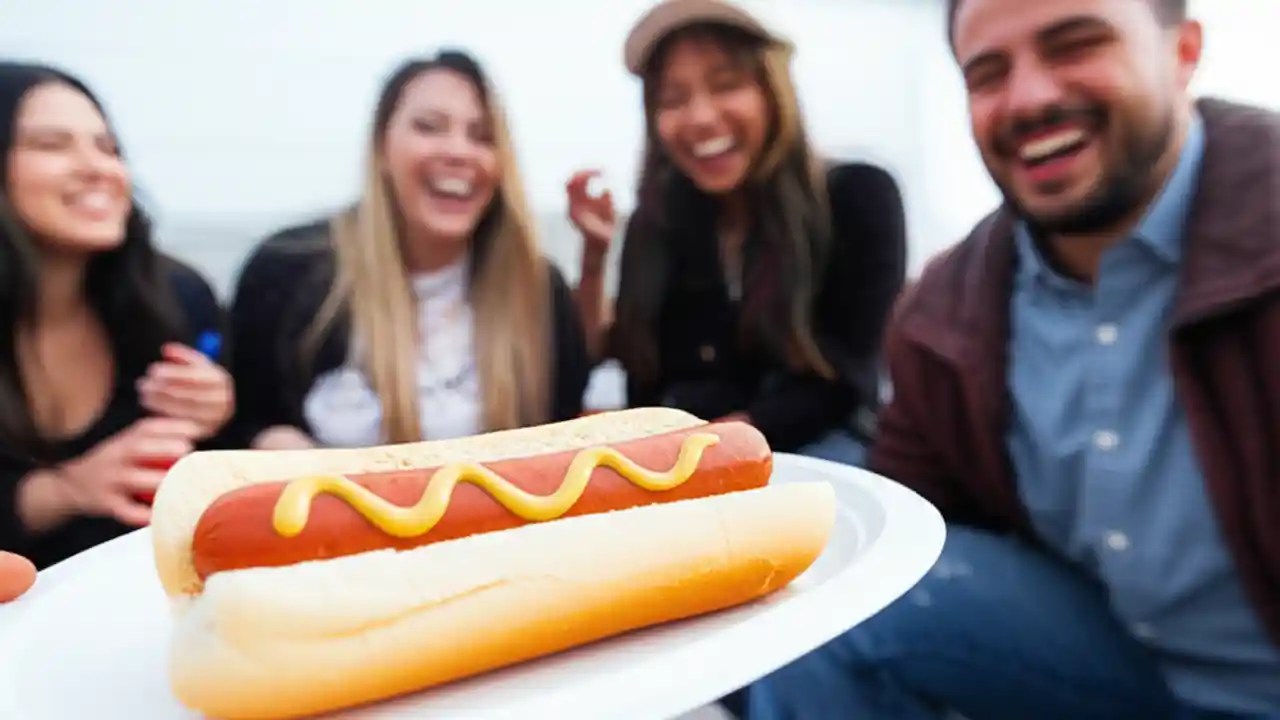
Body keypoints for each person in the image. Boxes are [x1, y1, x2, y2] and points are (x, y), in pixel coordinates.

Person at [745, 0, 1280, 718]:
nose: (1029, 99)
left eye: (1075, 45)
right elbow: (902, 525)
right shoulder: (944, 314)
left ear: (1183, 52)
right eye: (988, 74)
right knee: (825, 610)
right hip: (1111, 664)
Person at [567, 0, 907, 465]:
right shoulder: (655, 222)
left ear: (772, 91)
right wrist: (594, 255)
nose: (701, 117)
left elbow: (845, 381)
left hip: (813, 453)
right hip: (676, 463)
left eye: (726, 85)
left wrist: (711, 451)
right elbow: (610, 353)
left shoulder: (858, 196)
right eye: (673, 98)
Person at [229, 50, 591, 450]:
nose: (458, 151)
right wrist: (274, 445)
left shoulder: (537, 288)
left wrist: (594, 261)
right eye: (429, 127)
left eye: (482, 136)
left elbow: (565, 425)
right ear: (382, 148)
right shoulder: (285, 270)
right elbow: (244, 419)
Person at [0, 62, 233, 570]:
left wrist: (220, 414)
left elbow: (224, 478)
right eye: (52, 145)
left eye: (107, 148)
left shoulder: (178, 297)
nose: (97, 168)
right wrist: (63, 490)